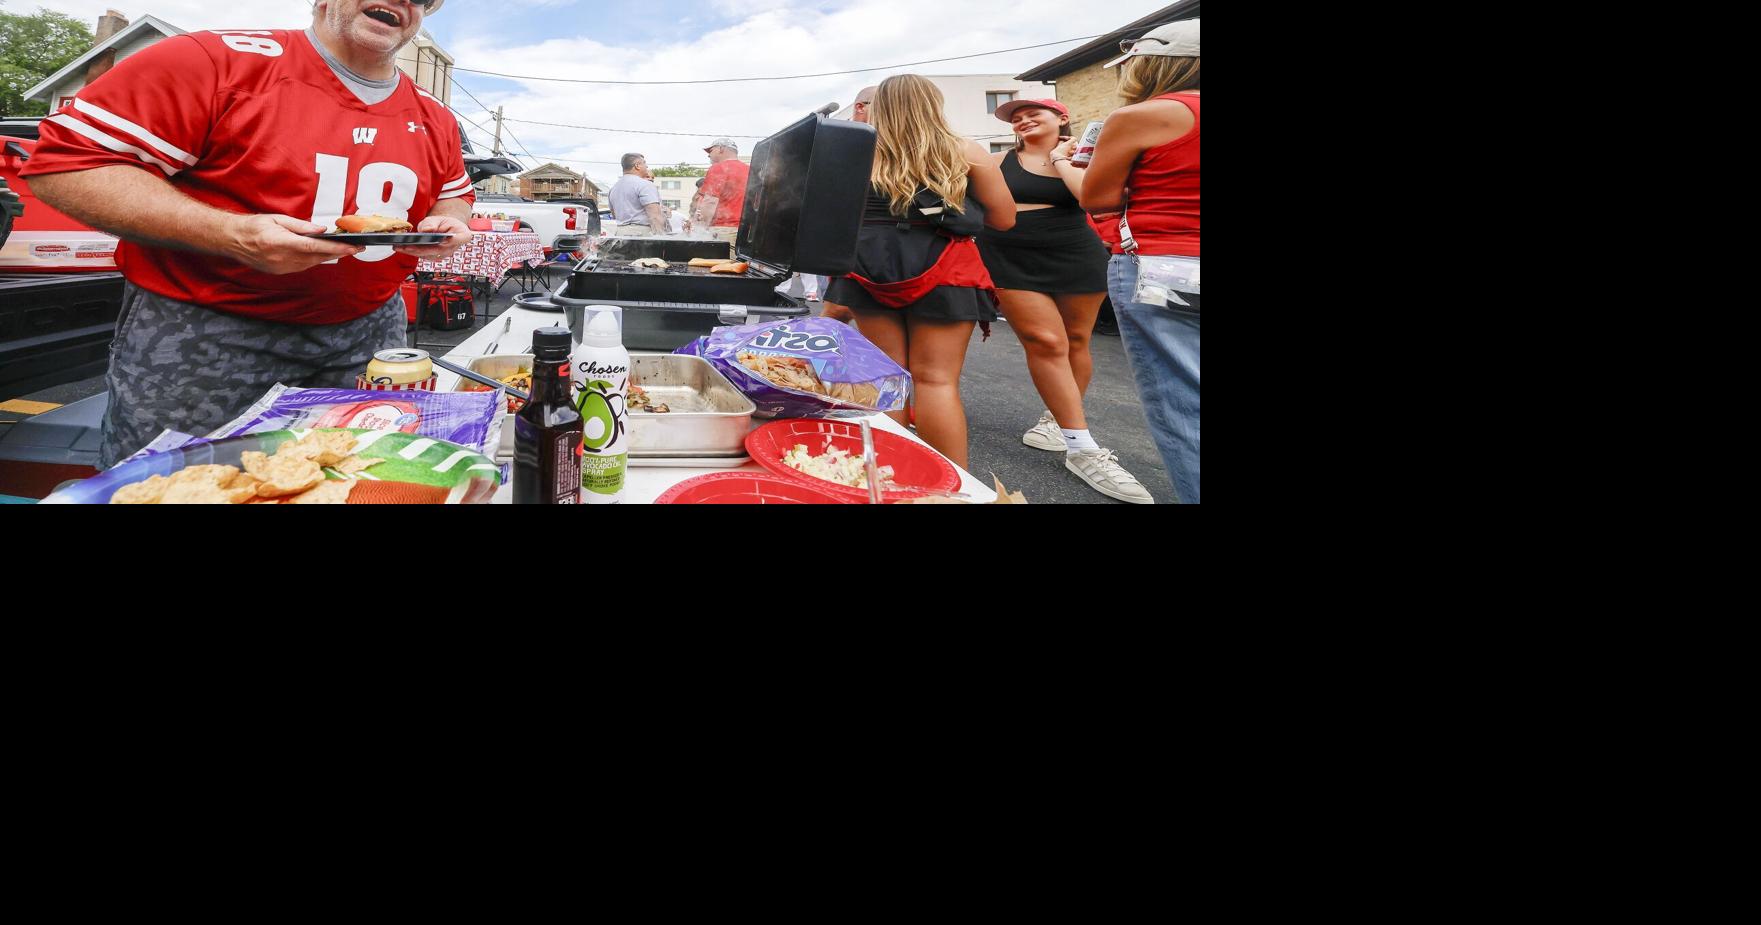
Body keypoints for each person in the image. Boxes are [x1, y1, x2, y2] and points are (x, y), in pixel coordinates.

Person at [23, 0, 474, 469]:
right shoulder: (212, 60)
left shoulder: (434, 114)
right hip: (207, 327)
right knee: (179, 487)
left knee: (355, 478)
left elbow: (453, 192)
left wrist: (447, 221)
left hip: (370, 330)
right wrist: (229, 232)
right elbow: (67, 166)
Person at [822, 74, 1015, 470]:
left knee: (890, 379)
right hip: (946, 270)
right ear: (934, 103)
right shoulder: (965, 151)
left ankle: (892, 478)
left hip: (869, 269)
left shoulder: (857, 153)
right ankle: (951, 489)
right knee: (937, 382)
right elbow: (1004, 219)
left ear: (882, 106)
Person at [979, 98, 1151, 504]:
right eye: (1015, 117)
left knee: (1076, 340)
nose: (1022, 120)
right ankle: (1082, 446)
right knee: (1045, 342)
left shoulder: (1085, 154)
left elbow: (1093, 198)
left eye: (1032, 113)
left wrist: (1059, 158)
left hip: (1075, 253)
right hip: (1009, 255)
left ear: (1062, 117)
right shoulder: (998, 160)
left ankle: (1057, 422)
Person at [1081, 19, 1201, 503]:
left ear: (1153, 64)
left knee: (1184, 403)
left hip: (1166, 263)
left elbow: (1098, 196)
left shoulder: (1144, 116)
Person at [690, 138, 747, 244]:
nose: (708, 155)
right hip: (747, 231)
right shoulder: (750, 170)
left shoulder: (718, 168)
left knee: (721, 261)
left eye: (710, 151)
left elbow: (710, 202)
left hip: (723, 230)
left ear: (721, 149)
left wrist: (698, 230)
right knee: (740, 261)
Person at [607, 153, 668, 236]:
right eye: (644, 163)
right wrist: (663, 240)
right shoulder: (645, 185)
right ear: (637, 166)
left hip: (620, 234)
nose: (647, 166)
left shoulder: (613, 189)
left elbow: (614, 215)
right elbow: (655, 217)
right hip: (641, 235)